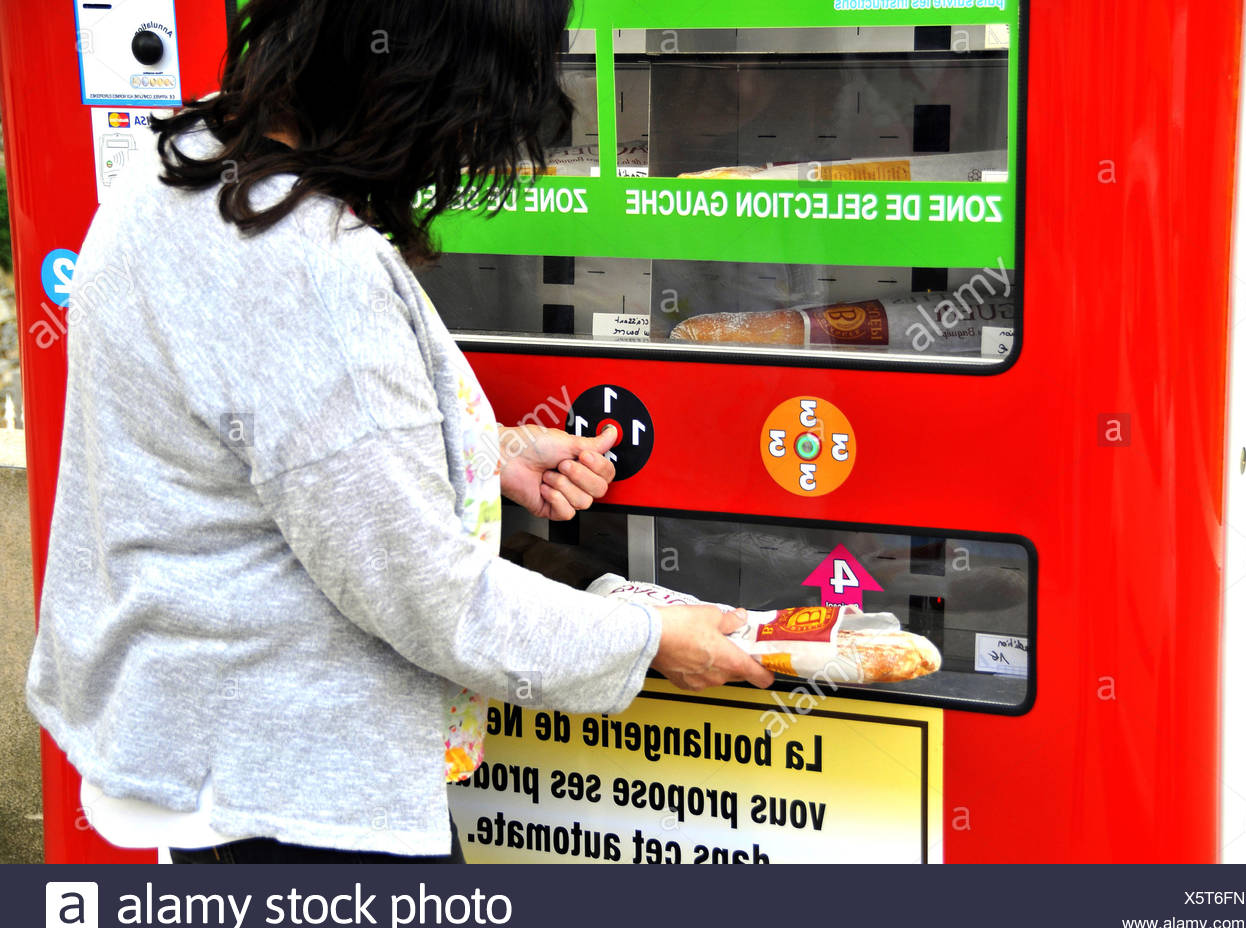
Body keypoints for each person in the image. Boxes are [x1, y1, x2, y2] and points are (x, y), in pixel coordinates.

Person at [26, 0, 772, 865]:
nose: (460, 156)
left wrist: (484, 449)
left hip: (190, 753)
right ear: (418, 86)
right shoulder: (309, 271)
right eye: (470, 121)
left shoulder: (185, 165)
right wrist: (651, 642)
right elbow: (434, 601)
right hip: (295, 809)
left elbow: (256, 442)